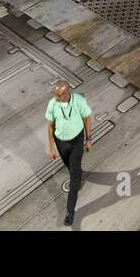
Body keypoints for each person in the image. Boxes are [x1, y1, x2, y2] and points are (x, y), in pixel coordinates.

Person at [45, 81, 93, 226]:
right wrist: (52, 148)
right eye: (55, 94)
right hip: (61, 143)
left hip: (76, 142)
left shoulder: (79, 101)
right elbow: (50, 126)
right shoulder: (53, 104)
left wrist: (88, 138)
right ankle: (77, 173)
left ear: (66, 93)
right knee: (71, 167)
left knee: (74, 177)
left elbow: (87, 118)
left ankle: (69, 211)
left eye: (59, 95)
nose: (56, 97)